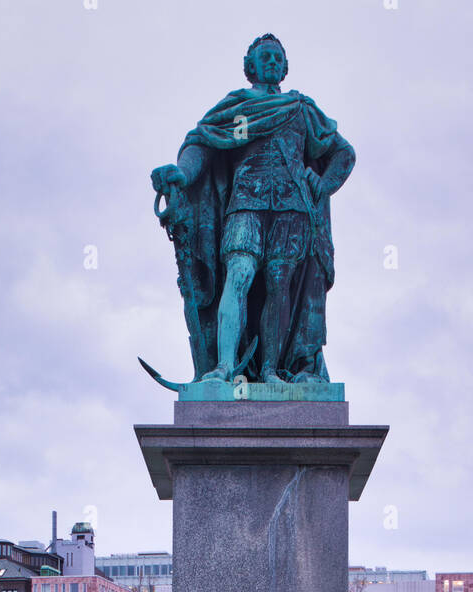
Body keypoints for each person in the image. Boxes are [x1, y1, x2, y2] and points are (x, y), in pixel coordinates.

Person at [150, 34, 355, 385]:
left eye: (278, 57)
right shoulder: (238, 107)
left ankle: (273, 370)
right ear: (250, 66)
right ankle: (225, 367)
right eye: (265, 57)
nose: (272, 61)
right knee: (239, 274)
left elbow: (344, 153)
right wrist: (181, 174)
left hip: (293, 208)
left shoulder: (301, 109)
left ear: (285, 67)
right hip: (245, 202)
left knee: (280, 285)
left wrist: (323, 185)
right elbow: (202, 143)